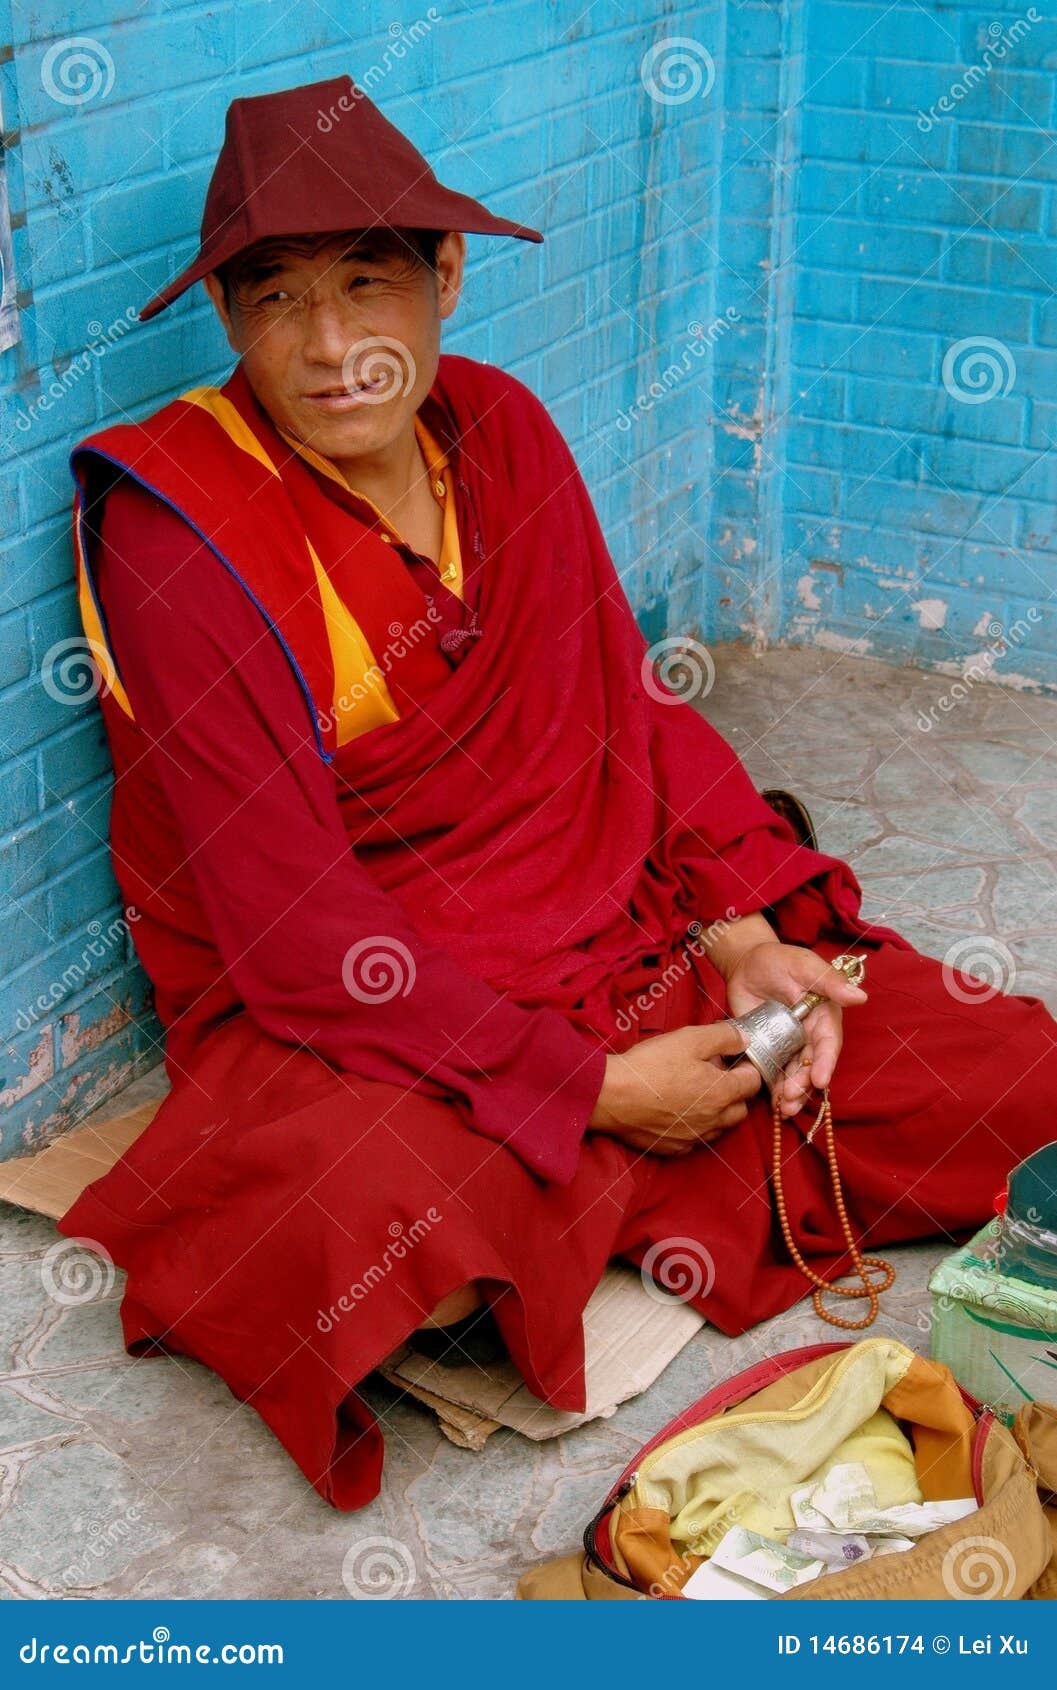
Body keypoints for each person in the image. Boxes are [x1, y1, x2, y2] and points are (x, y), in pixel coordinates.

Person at [58, 76, 1057, 1511]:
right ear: (227, 317)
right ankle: (572, 1184)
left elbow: (626, 720)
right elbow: (289, 930)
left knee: (1008, 1072)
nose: (332, 347)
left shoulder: (504, 431)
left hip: (622, 940)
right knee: (359, 1204)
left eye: (366, 283)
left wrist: (745, 932)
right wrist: (584, 1086)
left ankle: (574, 1204)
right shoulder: (180, 530)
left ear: (445, 275)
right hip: (377, 1013)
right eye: (277, 299)